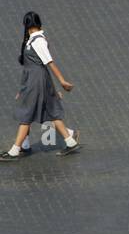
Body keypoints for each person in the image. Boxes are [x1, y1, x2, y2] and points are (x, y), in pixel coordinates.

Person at [3, 13, 79, 161]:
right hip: (33, 80)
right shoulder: (32, 40)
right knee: (50, 111)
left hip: (36, 81)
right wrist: (22, 89)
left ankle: (15, 150)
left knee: (26, 114)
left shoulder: (38, 41)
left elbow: (49, 62)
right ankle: (70, 140)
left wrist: (62, 81)